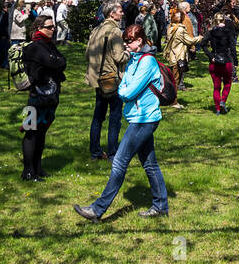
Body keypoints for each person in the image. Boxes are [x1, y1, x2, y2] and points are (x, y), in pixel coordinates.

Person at [73, 23, 170, 220]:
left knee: (118, 162)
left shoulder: (147, 62)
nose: (125, 45)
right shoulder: (134, 61)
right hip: (138, 117)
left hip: (144, 119)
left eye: (129, 41)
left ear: (139, 41)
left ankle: (97, 209)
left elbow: (127, 91)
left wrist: (125, 88)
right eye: (125, 41)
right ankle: (160, 205)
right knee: (150, 164)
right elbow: (124, 83)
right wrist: (124, 86)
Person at [20, 15, 66, 181]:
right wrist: (54, 61)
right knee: (31, 132)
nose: (53, 29)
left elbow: (63, 62)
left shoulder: (49, 45)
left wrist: (55, 61)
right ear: (39, 27)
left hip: (50, 97)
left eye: (53, 26)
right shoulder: (34, 47)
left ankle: (38, 167)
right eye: (49, 27)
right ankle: (28, 170)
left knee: (42, 132)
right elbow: (53, 62)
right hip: (36, 97)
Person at [86, 2, 130, 159]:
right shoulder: (115, 31)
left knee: (98, 117)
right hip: (112, 79)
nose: (122, 13)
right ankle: (113, 152)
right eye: (120, 11)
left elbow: (87, 54)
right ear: (112, 14)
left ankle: (95, 151)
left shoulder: (96, 29)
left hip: (97, 78)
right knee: (115, 118)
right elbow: (119, 57)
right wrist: (129, 53)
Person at [163, 7, 203, 109]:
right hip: (178, 57)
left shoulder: (170, 28)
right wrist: (200, 38)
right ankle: (174, 102)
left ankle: (170, 99)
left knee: (173, 79)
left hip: (172, 56)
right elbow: (189, 41)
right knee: (176, 80)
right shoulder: (180, 29)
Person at [206, 12, 235, 115]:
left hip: (215, 61)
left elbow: (203, 44)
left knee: (216, 86)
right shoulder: (228, 32)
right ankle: (223, 101)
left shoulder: (210, 32)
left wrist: (211, 56)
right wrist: (235, 61)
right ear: (224, 21)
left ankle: (218, 108)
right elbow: (232, 47)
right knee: (227, 83)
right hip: (226, 60)